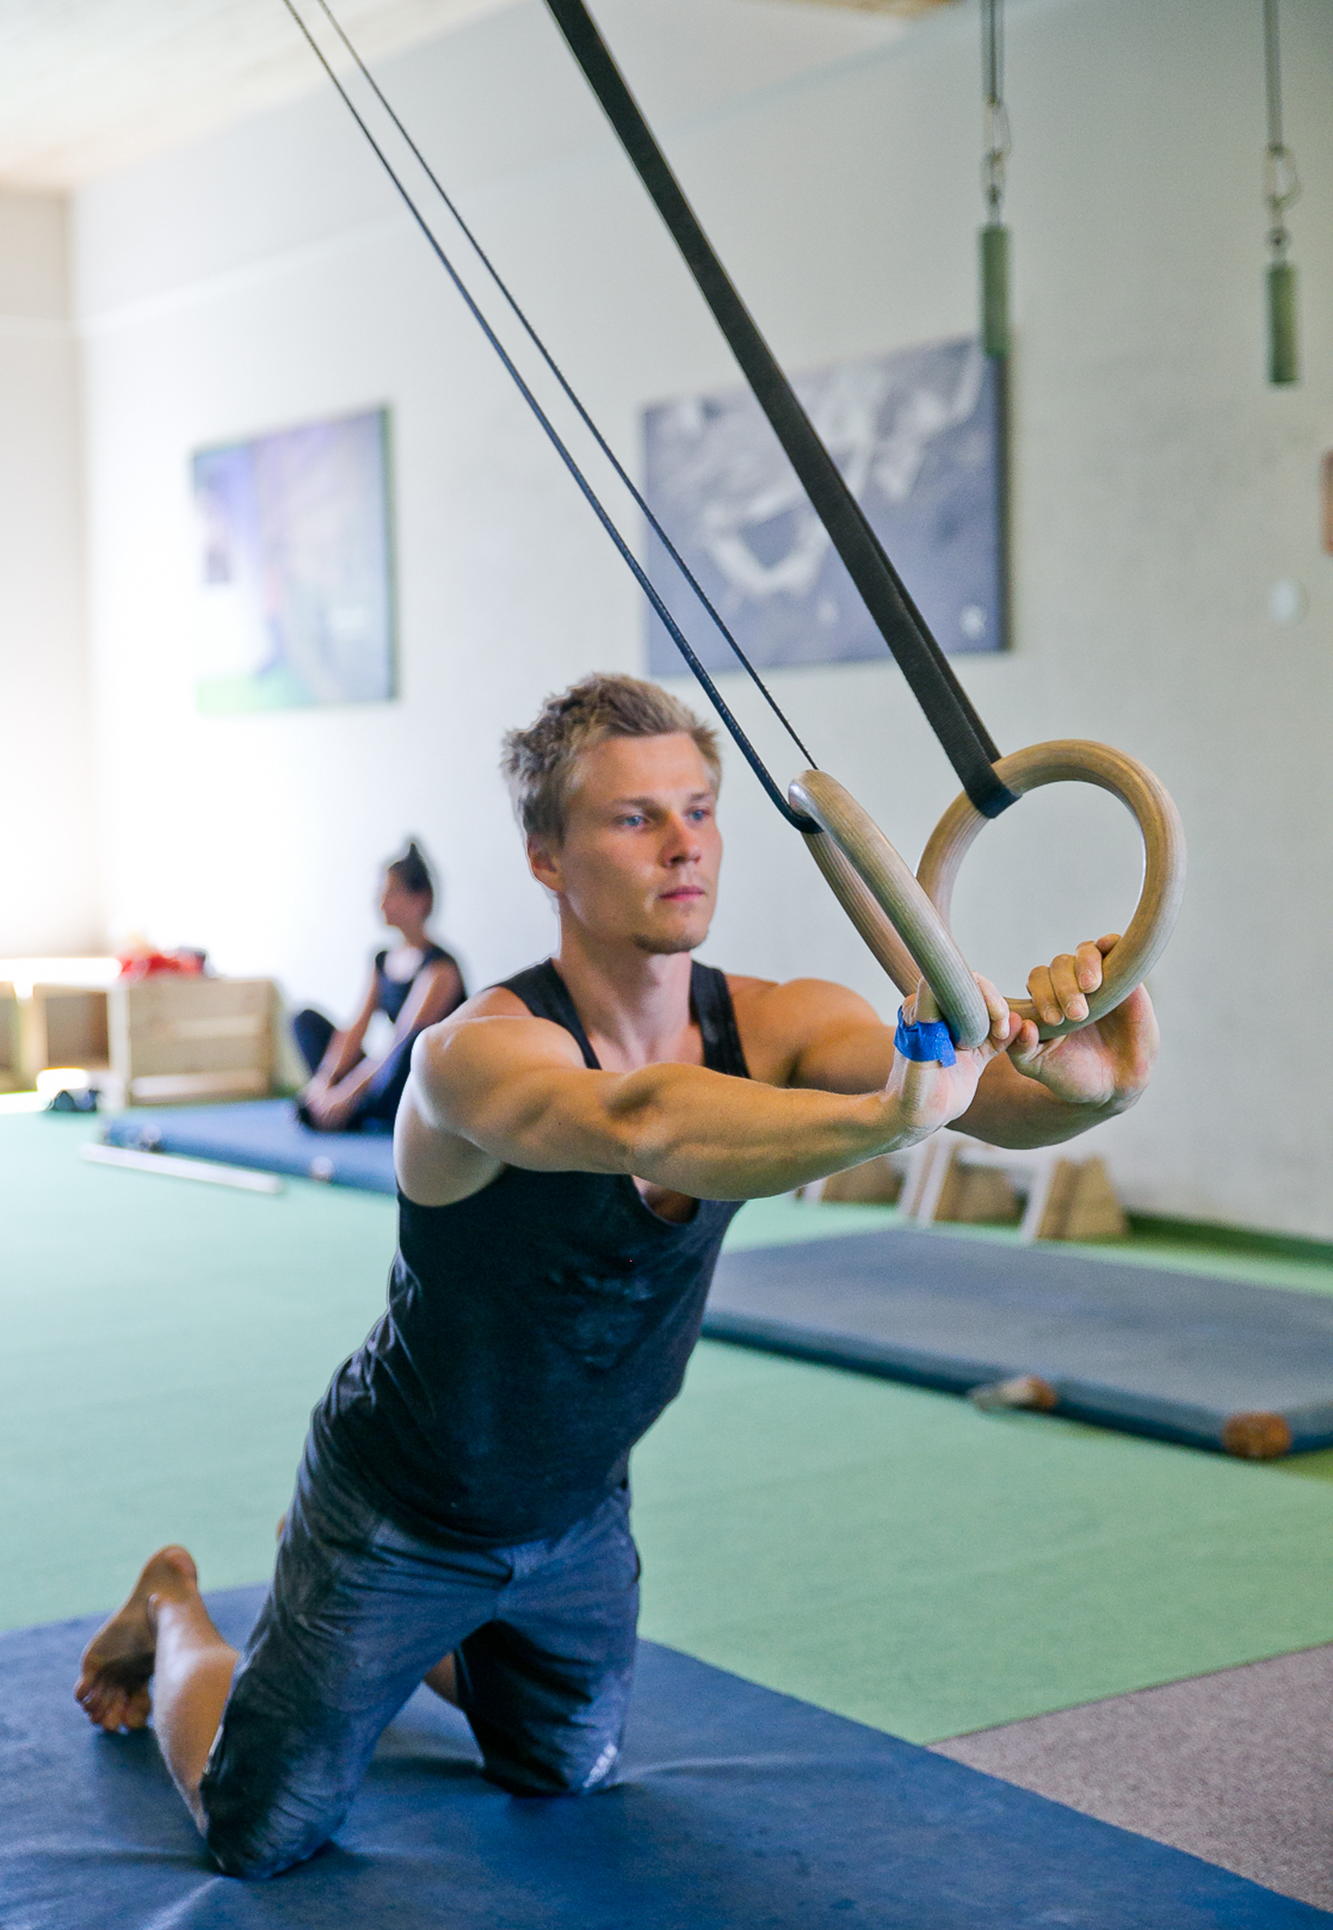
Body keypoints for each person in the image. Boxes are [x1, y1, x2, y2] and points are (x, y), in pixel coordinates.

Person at [75, 674, 1159, 1879]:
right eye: (635, 818)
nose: (683, 843)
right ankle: (176, 1603)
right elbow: (644, 1117)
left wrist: (1090, 1083)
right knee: (260, 1831)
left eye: (698, 809)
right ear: (546, 857)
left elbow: (993, 1099)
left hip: (576, 1506)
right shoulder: (473, 1056)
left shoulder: (785, 1021)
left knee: (563, 1770)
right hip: (403, 1503)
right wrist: (890, 1118)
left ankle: (397, 1631)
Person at [293, 842, 465, 1133]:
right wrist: (324, 1080)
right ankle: (340, 1107)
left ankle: (352, 1108)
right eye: (381, 894)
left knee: (412, 1046)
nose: (381, 903)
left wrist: (348, 1091)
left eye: (391, 894)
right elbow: (356, 1027)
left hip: (417, 1078)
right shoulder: (382, 960)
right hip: (387, 1067)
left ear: (420, 900)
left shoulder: (440, 968)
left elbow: (400, 1041)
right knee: (304, 1021)